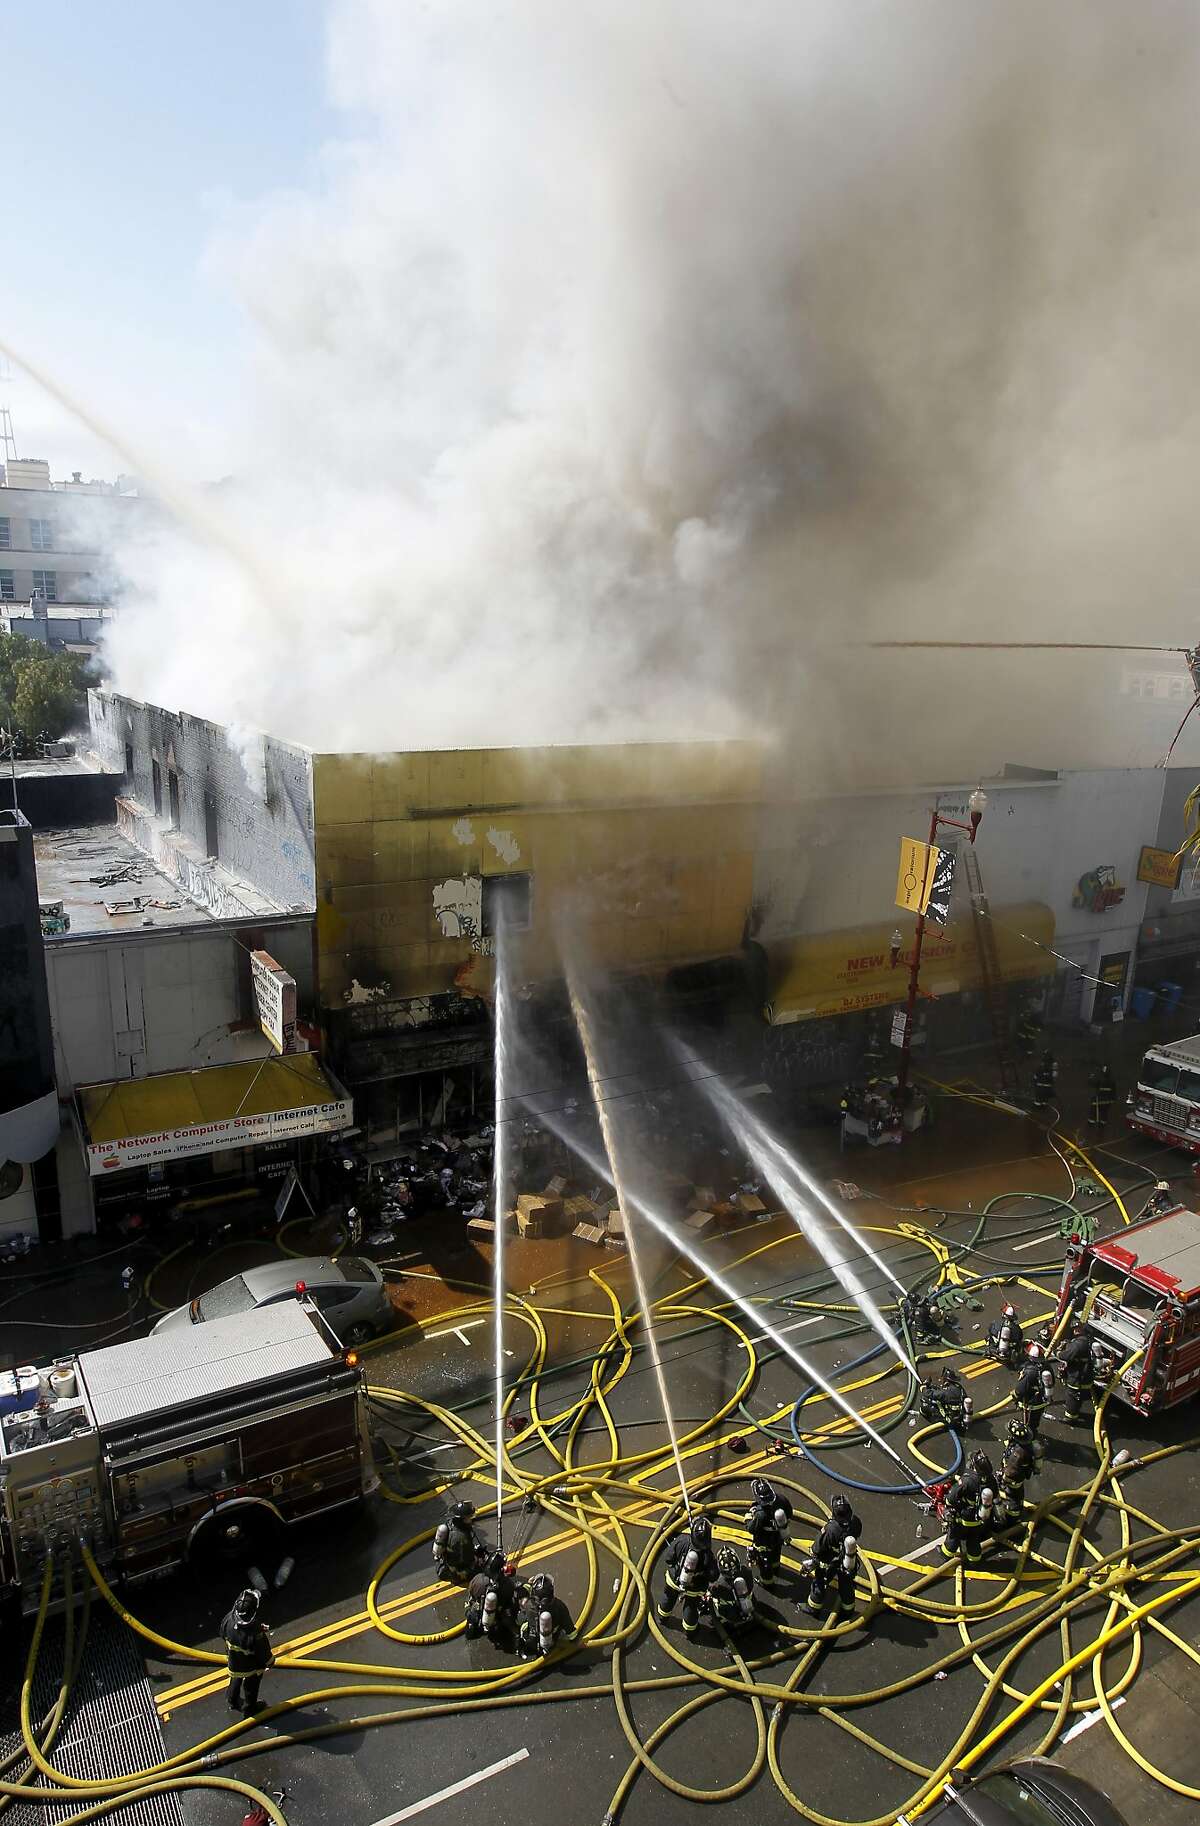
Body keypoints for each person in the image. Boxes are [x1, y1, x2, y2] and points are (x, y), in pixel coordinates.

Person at [658, 1514, 720, 1636]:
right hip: (694, 1589)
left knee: (668, 1597)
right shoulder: (708, 1555)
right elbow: (713, 1576)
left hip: (674, 1580)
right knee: (691, 1607)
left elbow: (668, 1559)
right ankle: (690, 1631)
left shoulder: (682, 1541)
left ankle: (662, 1617)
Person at [805, 1494, 863, 1617]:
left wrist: (814, 1558)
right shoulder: (856, 1522)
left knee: (820, 1584)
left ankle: (813, 1608)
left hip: (828, 1563)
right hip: (847, 1563)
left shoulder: (831, 1529)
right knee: (846, 1586)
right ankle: (848, 1610)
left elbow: (818, 1548)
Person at [221, 1587, 273, 1713]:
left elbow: (223, 1633)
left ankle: (232, 1699)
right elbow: (263, 1651)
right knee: (251, 1686)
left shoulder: (228, 1619)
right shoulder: (255, 1633)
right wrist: (270, 1661)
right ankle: (250, 1707)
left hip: (234, 1662)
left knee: (235, 1679)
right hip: (251, 1667)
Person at [742, 1477, 793, 1585]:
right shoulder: (781, 1499)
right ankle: (776, 1566)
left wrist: (747, 1519)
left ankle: (767, 1582)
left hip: (764, 1543)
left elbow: (751, 1529)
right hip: (778, 1538)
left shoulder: (760, 1514)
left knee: (765, 1565)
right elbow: (790, 1513)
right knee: (776, 1554)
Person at [515, 1572, 575, 1660]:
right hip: (552, 1640)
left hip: (532, 1641)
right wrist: (573, 1638)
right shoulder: (559, 1606)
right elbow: (571, 1632)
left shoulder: (529, 1605)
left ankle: (521, 1647)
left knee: (520, 1618)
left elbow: (522, 1614)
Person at [465, 1550, 518, 1645]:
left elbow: (471, 1594)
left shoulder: (478, 1580)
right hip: (497, 1617)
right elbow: (509, 1600)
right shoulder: (507, 1585)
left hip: (478, 1613)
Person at [941, 1467, 992, 1564]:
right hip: (979, 1520)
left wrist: (948, 1506)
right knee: (974, 1540)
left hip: (963, 1518)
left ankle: (946, 1554)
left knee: (954, 1536)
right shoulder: (991, 1480)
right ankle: (974, 1560)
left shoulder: (968, 1481)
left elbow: (952, 1498)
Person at [433, 1500, 489, 1582]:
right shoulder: (460, 1538)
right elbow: (466, 1559)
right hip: (455, 1572)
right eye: (468, 1517)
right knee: (484, 1571)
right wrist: (479, 1559)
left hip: (446, 1562)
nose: (471, 1519)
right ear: (461, 1519)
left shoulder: (451, 1524)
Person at [995, 1418, 1037, 1526]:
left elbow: (1010, 1472)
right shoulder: (1026, 1446)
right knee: (1018, 1494)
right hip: (1019, 1478)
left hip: (1013, 1479)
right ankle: (1015, 1511)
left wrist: (1002, 1478)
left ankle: (1011, 1518)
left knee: (1012, 1497)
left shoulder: (1018, 1453)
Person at [709, 1545, 756, 1633]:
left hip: (732, 1616)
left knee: (710, 1600)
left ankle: (723, 1620)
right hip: (750, 1607)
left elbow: (711, 1592)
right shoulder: (746, 1572)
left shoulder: (718, 1585)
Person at [1061, 1321, 1097, 1422]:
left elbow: (1066, 1355)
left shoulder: (1078, 1344)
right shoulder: (1087, 1341)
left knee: (1072, 1396)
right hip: (1086, 1375)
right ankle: (1073, 1409)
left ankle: (1070, 1417)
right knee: (1079, 1396)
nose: (1076, 1331)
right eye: (1075, 1329)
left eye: (1078, 1329)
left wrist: (1058, 1353)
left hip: (1077, 1376)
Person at [1014, 1346, 1054, 1434]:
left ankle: (1028, 1438)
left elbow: (1019, 1390)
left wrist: (1015, 1396)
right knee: (1035, 1422)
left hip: (1031, 1404)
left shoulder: (1030, 1372)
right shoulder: (1047, 1366)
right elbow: (1052, 1382)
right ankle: (1032, 1432)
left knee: (1028, 1425)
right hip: (1042, 1402)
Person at [988, 1302, 1025, 1371]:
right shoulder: (1016, 1328)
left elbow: (990, 1330)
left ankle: (991, 1348)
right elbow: (1020, 1337)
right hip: (1009, 1353)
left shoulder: (995, 1323)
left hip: (995, 1349)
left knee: (988, 1337)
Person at [1089, 1065, 1116, 1130]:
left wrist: (1090, 1077)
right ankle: (1102, 1126)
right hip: (1107, 1101)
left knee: (1093, 1113)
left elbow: (1092, 1084)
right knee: (1104, 1113)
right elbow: (1114, 1092)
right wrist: (1113, 1100)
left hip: (1098, 1100)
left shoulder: (1100, 1080)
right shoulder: (1112, 1081)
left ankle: (1091, 1126)